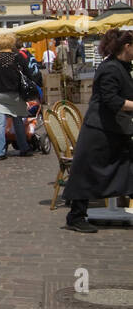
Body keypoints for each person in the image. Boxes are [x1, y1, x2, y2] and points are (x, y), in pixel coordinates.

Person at [62, 29, 133, 233]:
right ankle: (75, 217)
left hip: (113, 128)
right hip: (100, 130)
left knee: (128, 168)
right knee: (87, 174)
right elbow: (112, 100)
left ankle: (77, 215)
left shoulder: (121, 66)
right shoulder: (110, 68)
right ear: (127, 46)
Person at [0, 31, 33, 160]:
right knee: (17, 121)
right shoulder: (17, 57)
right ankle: (24, 148)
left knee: (0, 123)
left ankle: (0, 152)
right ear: (11, 43)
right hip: (14, 93)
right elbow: (28, 74)